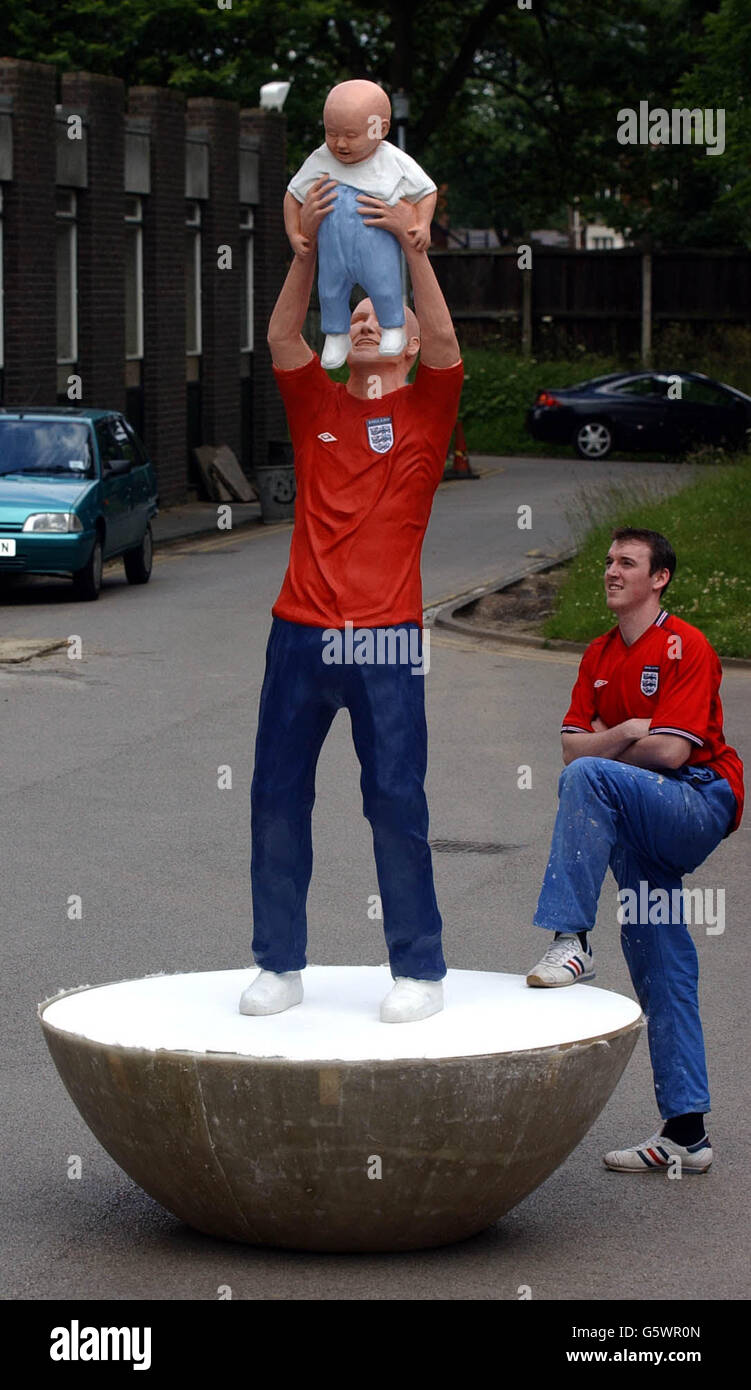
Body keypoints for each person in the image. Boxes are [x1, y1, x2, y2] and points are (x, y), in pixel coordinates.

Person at [239, 173, 463, 1023]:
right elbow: (281, 335)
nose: (366, 317)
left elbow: (442, 336)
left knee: (395, 797)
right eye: (357, 311)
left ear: (403, 345)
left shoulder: (427, 412)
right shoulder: (315, 408)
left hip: (385, 638)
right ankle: (277, 963)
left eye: (382, 315)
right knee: (274, 793)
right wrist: (303, 257)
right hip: (298, 630)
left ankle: (417, 969)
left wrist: (411, 251)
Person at [526, 528, 744, 1172]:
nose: (611, 571)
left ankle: (571, 939)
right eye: (608, 562)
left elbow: (673, 751)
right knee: (660, 960)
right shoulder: (596, 654)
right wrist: (625, 731)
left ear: (660, 579)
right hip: (637, 810)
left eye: (628, 563)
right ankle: (687, 1133)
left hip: (696, 800)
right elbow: (569, 743)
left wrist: (602, 745)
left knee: (588, 778)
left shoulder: (686, 645)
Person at [284, 79, 437, 369]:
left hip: (375, 242)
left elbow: (427, 191)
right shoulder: (320, 159)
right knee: (330, 290)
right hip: (333, 247)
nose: (340, 144)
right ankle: (336, 335)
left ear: (381, 129)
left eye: (351, 135)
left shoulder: (391, 160)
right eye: (332, 133)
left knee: (385, 285)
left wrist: (423, 224)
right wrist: (295, 232)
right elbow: (292, 195)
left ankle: (393, 328)